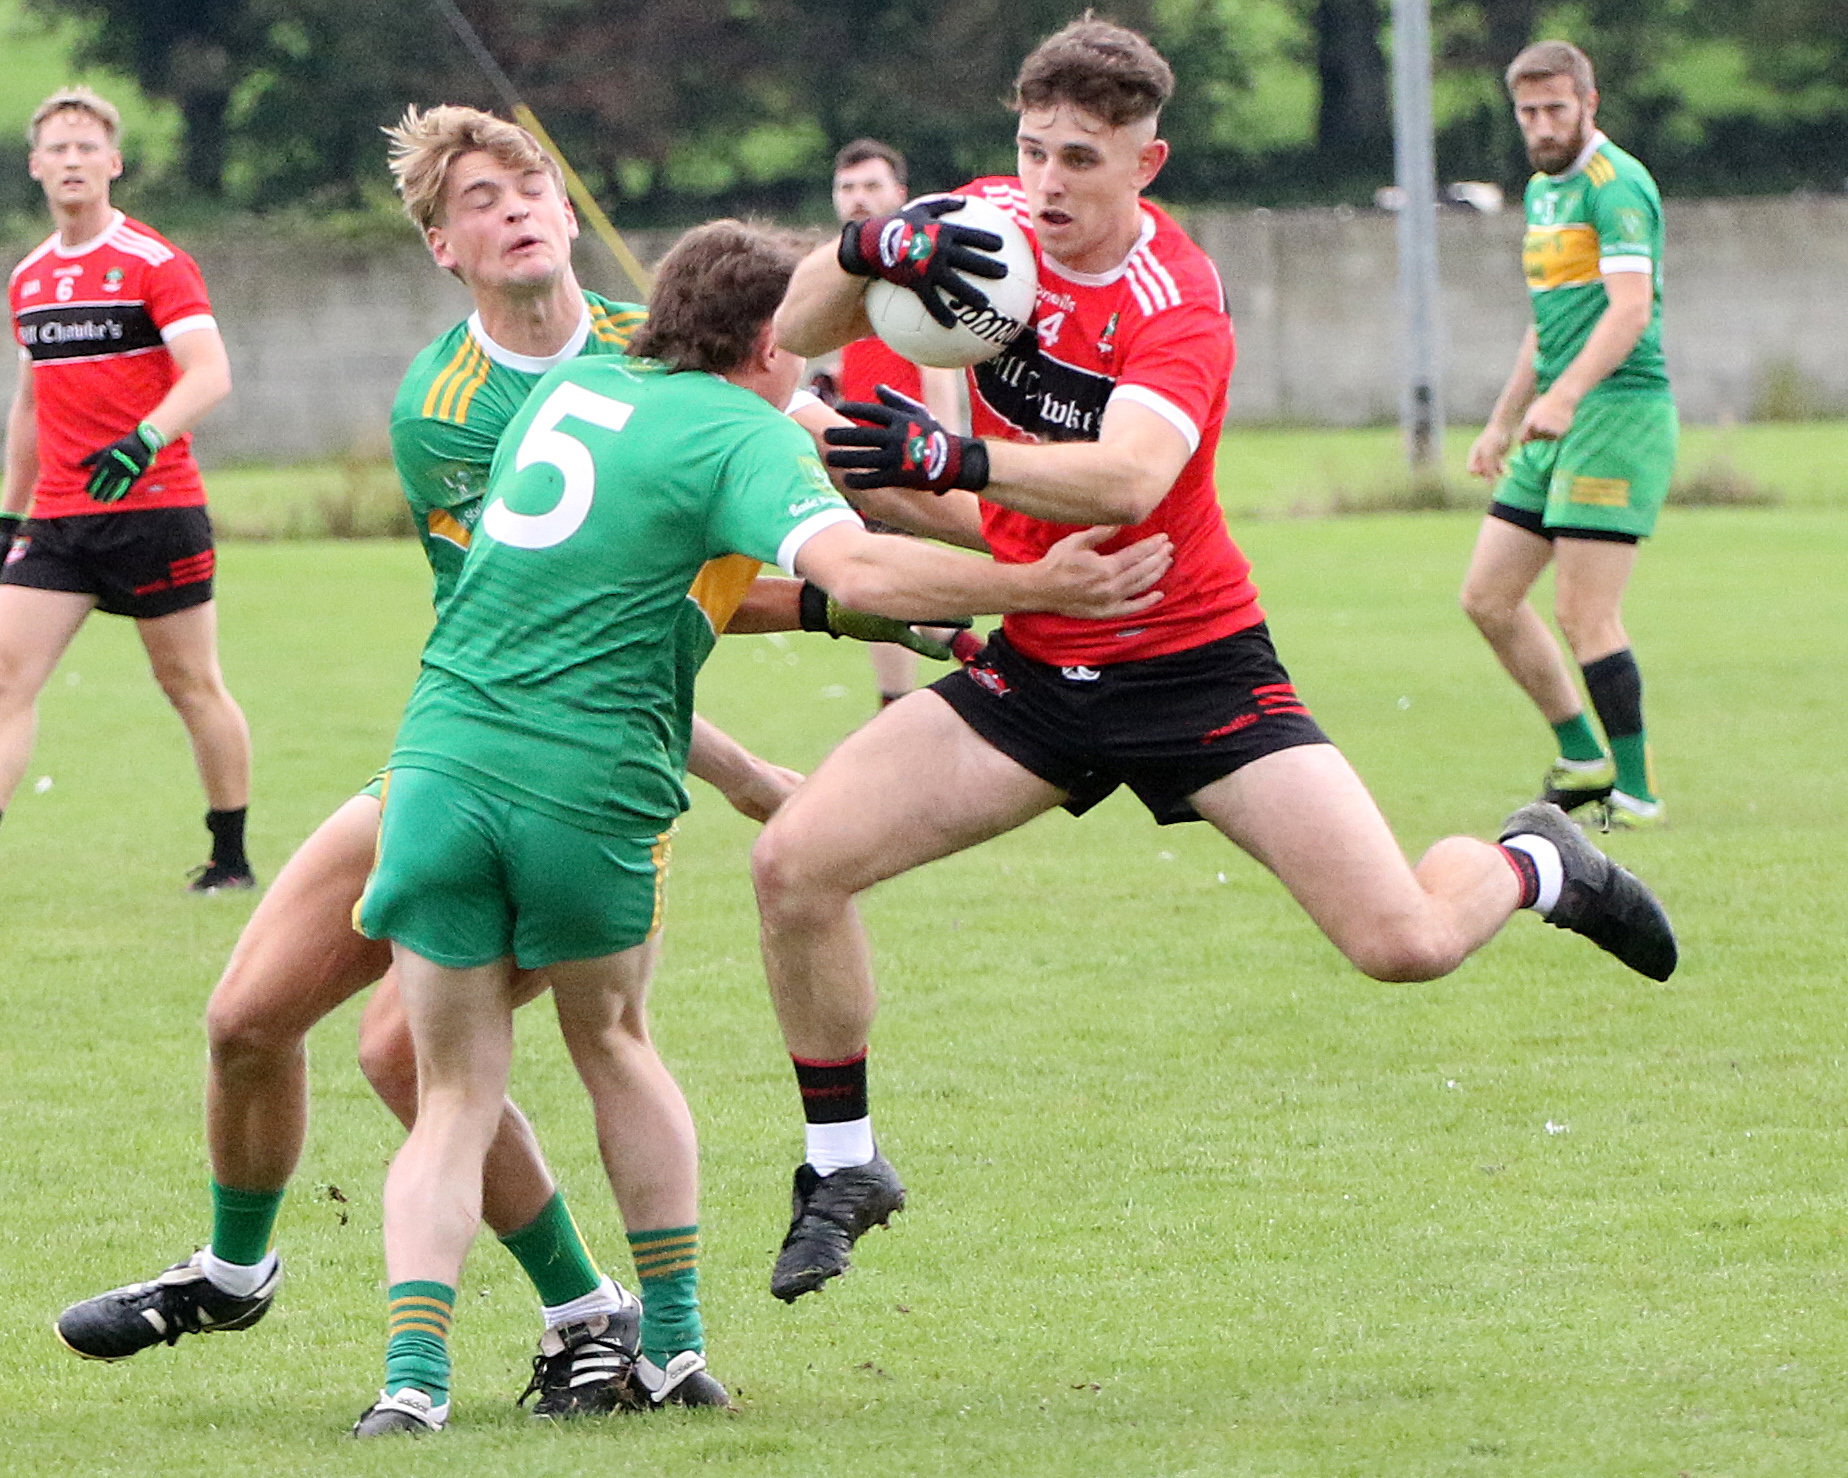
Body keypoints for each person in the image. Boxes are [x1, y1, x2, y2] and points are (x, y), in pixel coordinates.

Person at [756, 16, 1679, 1304]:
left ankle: (1538, 859)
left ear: (1150, 161)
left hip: (1193, 662)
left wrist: (950, 457)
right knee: (794, 861)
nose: (1052, 184)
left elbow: (1133, 473)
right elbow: (795, 326)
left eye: (1083, 157)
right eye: (1034, 150)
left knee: (1401, 940)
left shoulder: (1176, 295)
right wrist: (864, 247)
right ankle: (843, 1165)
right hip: (1038, 658)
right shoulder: (982, 221)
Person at [50, 106, 945, 1419]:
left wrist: (855, 587)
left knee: (409, 1058)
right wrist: (767, 747)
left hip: (588, 766)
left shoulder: (664, 352)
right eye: (481, 197)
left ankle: (592, 1311)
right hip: (469, 735)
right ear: (440, 246)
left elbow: (684, 582)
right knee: (245, 1018)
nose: (518, 208)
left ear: (569, 212)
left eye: (531, 184)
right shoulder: (443, 408)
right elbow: (546, 617)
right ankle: (238, 1273)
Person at [345, 216, 1170, 1436]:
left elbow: (654, 578)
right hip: (590, 779)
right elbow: (865, 565)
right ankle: (673, 1346)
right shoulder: (740, 428)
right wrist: (1038, 586)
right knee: (614, 1039)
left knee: (455, 1084)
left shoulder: (579, 384)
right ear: (769, 338)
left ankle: (411, 1381)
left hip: (438, 759)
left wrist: (883, 595)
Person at [1, 87, 252, 889]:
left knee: (188, 683)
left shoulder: (153, 262)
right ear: (36, 166)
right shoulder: (30, 278)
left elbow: (209, 373)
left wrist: (145, 438)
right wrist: (11, 508)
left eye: (87, 147)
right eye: (57, 148)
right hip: (61, 520)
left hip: (156, 510)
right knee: (7, 675)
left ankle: (230, 856)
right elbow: (31, 402)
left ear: (112, 163)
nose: (72, 160)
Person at [1460, 41, 1677, 829]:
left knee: (1585, 612)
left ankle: (1639, 794)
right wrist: (1505, 417)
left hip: (1618, 414)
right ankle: (1583, 754)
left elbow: (1629, 309)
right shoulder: (1543, 192)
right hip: (1559, 414)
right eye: (1529, 112)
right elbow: (1547, 323)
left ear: (1591, 102)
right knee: (1487, 596)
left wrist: (1569, 396)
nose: (1543, 125)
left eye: (1557, 108)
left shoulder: (1615, 188)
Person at [824, 138, 967, 708]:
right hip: (857, 452)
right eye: (847, 188)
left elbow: (938, 363)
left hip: (907, 450)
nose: (858, 199)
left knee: (896, 586)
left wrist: (947, 449)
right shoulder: (842, 273)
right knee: (876, 591)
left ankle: (996, 666)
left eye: (871, 187)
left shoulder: (913, 268)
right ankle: (898, 700)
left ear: (900, 196)